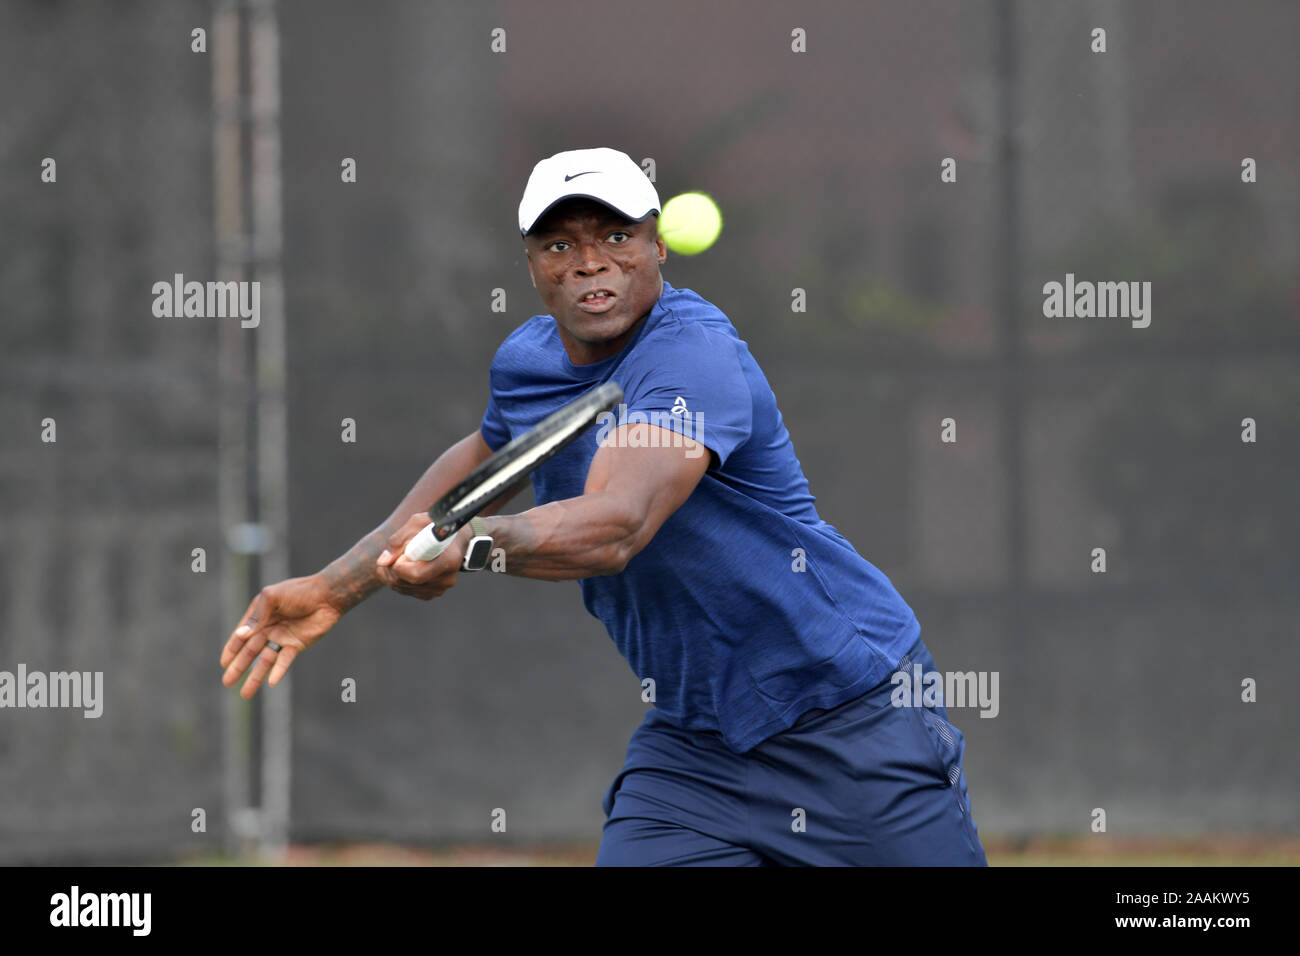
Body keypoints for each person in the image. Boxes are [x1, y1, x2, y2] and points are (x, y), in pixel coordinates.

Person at [220, 147, 988, 866]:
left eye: (616, 235)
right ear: (530, 267)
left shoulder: (693, 354)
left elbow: (619, 523)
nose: (590, 260)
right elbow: (485, 460)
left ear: (658, 246)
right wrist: (335, 588)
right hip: (697, 751)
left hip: (848, 718)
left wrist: (476, 543)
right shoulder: (528, 363)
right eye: (558, 245)